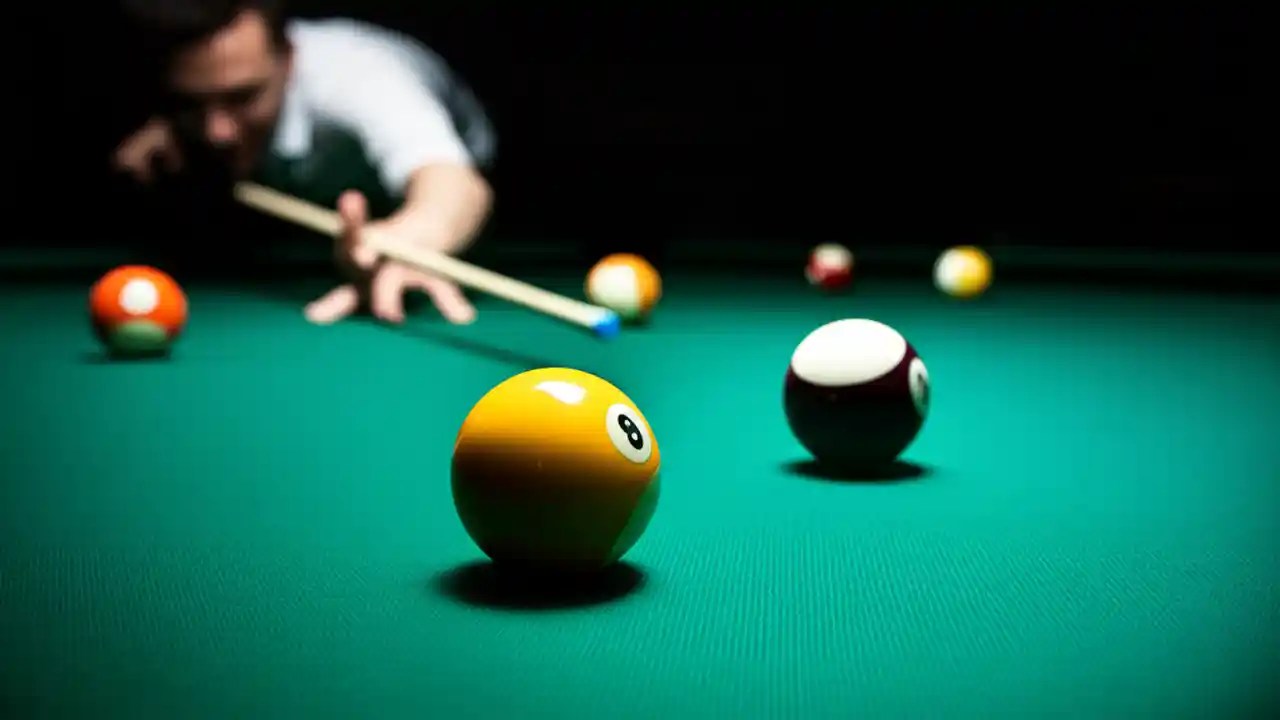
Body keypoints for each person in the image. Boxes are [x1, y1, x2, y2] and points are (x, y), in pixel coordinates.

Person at [112, 0, 496, 325]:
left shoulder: (359, 76)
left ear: (289, 59)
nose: (218, 133)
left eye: (243, 97)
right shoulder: (194, 116)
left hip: (459, 215)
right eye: (193, 105)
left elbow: (454, 185)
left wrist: (413, 239)